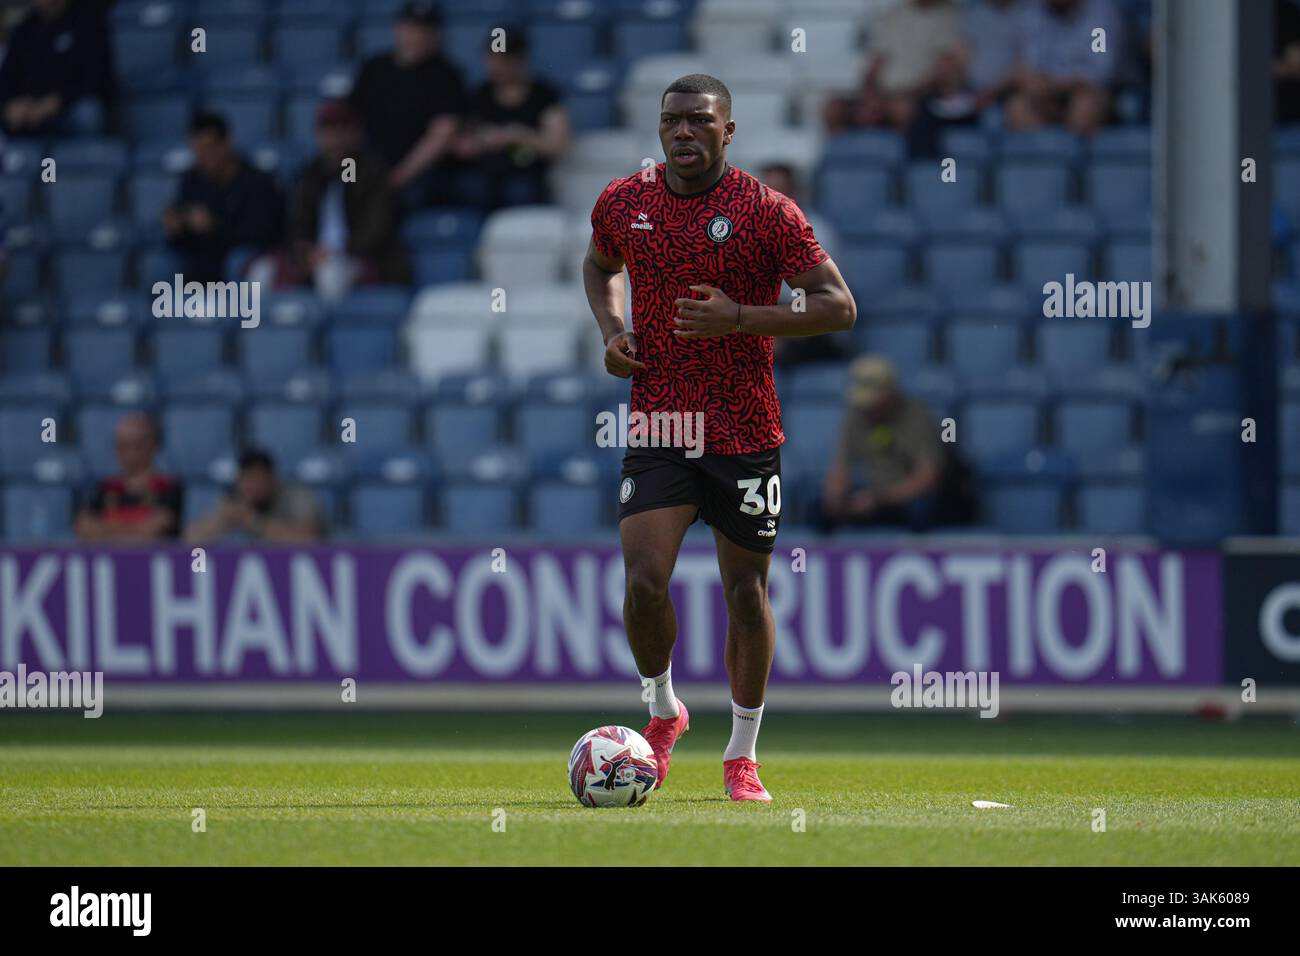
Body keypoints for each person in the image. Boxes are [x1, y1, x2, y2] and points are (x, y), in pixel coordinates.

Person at [585, 74, 856, 801]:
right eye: (672, 120)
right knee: (644, 582)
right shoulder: (625, 201)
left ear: (727, 131)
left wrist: (741, 318)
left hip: (742, 428)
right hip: (661, 421)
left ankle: (742, 754)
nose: (683, 132)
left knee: (745, 594)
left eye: (700, 121)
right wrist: (613, 333)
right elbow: (599, 264)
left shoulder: (766, 212)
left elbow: (838, 306)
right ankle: (662, 707)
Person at [284, 98, 410, 301]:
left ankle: (329, 331)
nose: (334, 138)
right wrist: (304, 251)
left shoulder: (370, 170)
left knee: (329, 273)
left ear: (355, 132)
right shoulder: (311, 173)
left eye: (341, 130)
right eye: (327, 131)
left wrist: (335, 251)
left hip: (360, 257)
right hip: (316, 256)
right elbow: (298, 222)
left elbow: (376, 228)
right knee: (266, 273)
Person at [817, 356, 956, 532]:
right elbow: (840, 468)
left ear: (890, 394)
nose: (868, 408)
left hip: (904, 496)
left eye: (873, 401)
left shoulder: (918, 417)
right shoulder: (856, 416)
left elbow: (928, 478)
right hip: (873, 493)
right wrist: (836, 497)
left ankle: (917, 553)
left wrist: (880, 499)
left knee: (921, 509)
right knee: (818, 509)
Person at [349, 0, 464, 207]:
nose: (417, 35)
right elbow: (351, 121)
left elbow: (442, 134)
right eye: (412, 27)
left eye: (425, 29)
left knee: (405, 198)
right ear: (398, 28)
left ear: (436, 34)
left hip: (420, 171)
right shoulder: (374, 68)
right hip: (372, 163)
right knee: (341, 185)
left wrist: (399, 176)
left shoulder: (447, 75)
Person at [453, 27, 570, 210]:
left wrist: (517, 135)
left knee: (520, 191)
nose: (497, 67)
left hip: (524, 174)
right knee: (471, 187)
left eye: (505, 61)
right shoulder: (478, 95)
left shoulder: (543, 95)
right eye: (492, 60)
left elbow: (557, 146)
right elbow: (460, 143)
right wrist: (480, 141)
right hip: (484, 172)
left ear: (521, 60)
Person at [163, 111, 283, 283]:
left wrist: (214, 225)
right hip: (204, 258)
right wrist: (176, 227)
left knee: (236, 261)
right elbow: (184, 234)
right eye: (198, 150)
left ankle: (240, 309)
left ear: (227, 143)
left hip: (240, 257)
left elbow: (262, 234)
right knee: (167, 263)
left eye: (209, 148)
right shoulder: (192, 179)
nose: (203, 157)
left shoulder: (256, 181)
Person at [823, 0, 962, 134]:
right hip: (882, 93)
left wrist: (906, 96)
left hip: (917, 96)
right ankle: (842, 154)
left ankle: (901, 156)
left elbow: (944, 72)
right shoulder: (892, 16)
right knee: (832, 108)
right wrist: (870, 96)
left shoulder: (950, 17)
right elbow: (874, 64)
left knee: (903, 109)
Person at [1005, 0, 1125, 136]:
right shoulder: (1034, 13)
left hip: (1090, 92)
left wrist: (1057, 84)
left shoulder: (1100, 16)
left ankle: (1077, 155)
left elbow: (1101, 72)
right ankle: (1045, 154)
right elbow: (1030, 63)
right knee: (1017, 107)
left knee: (1084, 107)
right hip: (1047, 94)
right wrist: (1038, 83)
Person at [0, 0, 111, 137]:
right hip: (29, 110)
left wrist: (57, 101)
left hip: (68, 108)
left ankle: (89, 157)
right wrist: (12, 103)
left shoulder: (88, 23)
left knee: (88, 112)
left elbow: (96, 79)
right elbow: (7, 78)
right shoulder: (25, 29)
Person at [75, 413, 183, 542]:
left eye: (135, 444)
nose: (127, 452)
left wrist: (106, 530)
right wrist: (131, 530)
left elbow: (152, 530)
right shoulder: (106, 487)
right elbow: (84, 525)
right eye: (121, 445)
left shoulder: (168, 487)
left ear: (153, 445)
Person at [185, 449, 325, 544]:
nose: (254, 487)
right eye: (248, 480)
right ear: (239, 481)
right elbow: (189, 539)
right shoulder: (234, 502)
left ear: (273, 480)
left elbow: (310, 540)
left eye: (259, 479)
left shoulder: (297, 495)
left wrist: (253, 521)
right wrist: (221, 520)